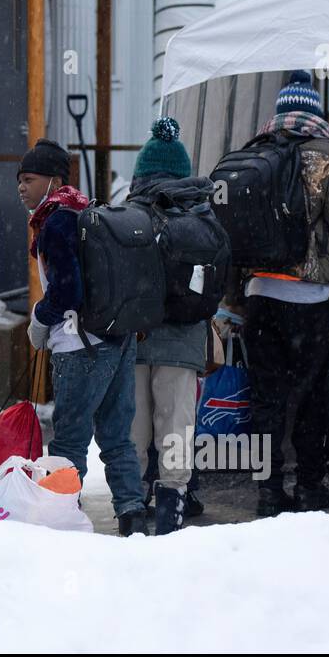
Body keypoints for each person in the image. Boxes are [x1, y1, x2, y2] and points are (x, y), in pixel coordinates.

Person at [225, 71, 329, 517]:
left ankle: (269, 492)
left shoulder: (255, 152)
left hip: (260, 296)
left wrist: (233, 300)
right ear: (312, 110)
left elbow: (234, 235)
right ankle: (310, 485)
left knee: (265, 400)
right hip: (310, 300)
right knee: (311, 397)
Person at [19, 138, 147, 536]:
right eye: (19, 180)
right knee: (117, 436)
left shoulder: (56, 221)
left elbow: (68, 291)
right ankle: (132, 515)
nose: (21, 187)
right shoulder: (89, 211)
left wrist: (40, 320)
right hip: (117, 339)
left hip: (79, 347)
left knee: (70, 441)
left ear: (54, 180)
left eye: (29, 178)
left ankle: (61, 519)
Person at [126, 118, 207, 535]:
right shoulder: (202, 214)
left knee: (135, 431)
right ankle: (171, 514)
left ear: (139, 175)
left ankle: (133, 513)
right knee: (176, 429)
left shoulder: (124, 217)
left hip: (134, 340)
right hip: (184, 341)